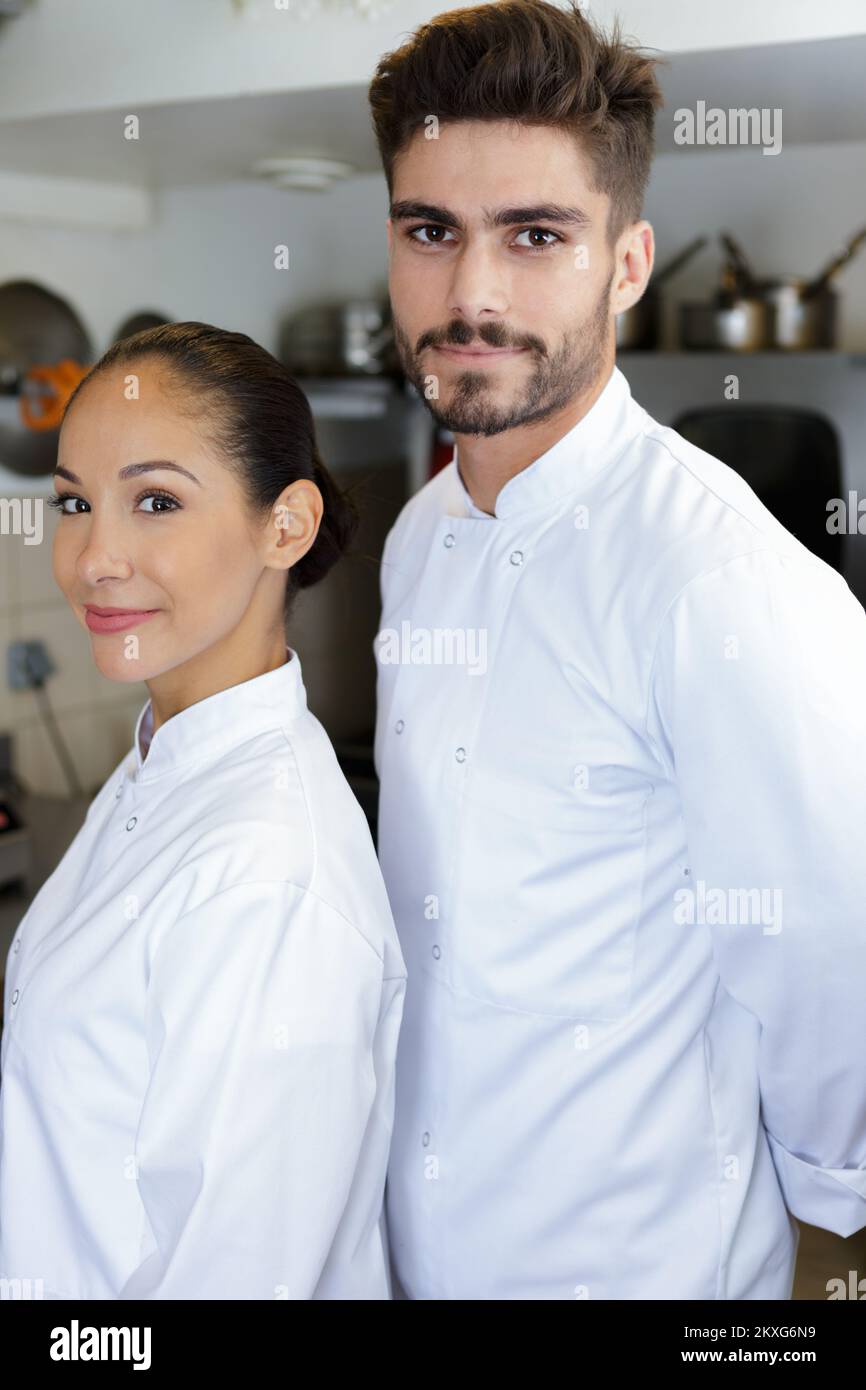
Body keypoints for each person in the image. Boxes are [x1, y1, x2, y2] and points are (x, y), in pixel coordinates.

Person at [368, 0, 866, 1299]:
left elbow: (831, 953)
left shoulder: (723, 583)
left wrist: (831, 1197)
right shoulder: (418, 537)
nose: (471, 291)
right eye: (431, 231)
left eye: (536, 236)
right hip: (409, 1252)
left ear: (627, 263)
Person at [0, 321, 407, 1299]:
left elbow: (232, 1280)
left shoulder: (265, 875)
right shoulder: (161, 765)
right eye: (74, 503)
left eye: (155, 501)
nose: (94, 557)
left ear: (285, 525)